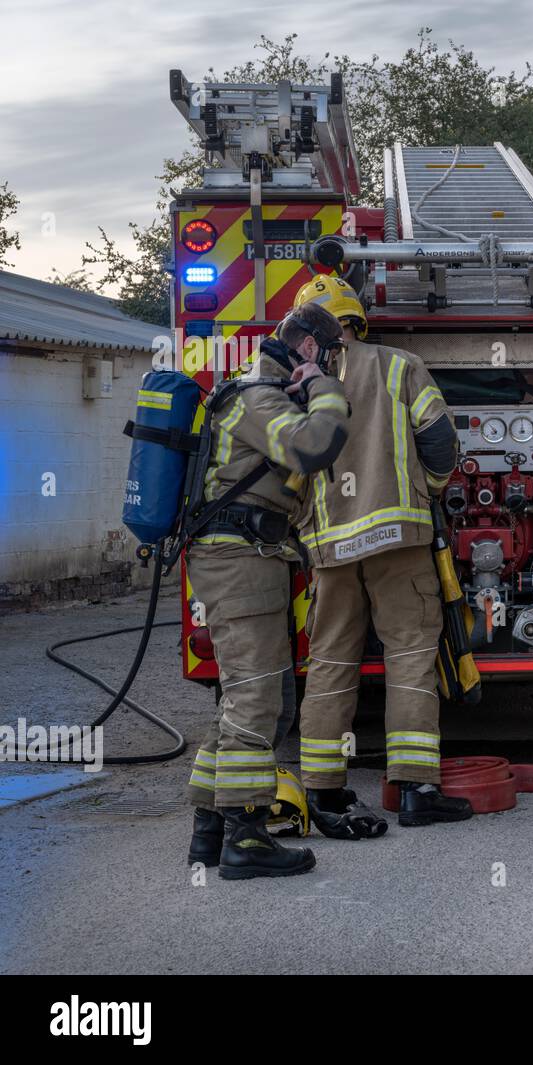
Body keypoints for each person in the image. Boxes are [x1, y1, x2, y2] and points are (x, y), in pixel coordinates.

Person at [291, 276, 472, 836]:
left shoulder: (297, 382)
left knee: (329, 664)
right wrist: (429, 492)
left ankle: (323, 791)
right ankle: (416, 791)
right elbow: (440, 440)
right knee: (411, 656)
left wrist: (306, 523)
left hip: (332, 547)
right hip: (400, 539)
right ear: (355, 320)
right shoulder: (399, 365)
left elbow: (285, 464)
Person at [184, 302, 350, 879]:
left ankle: (210, 830)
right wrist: (326, 389)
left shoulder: (260, 398)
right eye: (329, 357)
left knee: (244, 695)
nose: (331, 367)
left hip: (249, 558)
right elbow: (312, 447)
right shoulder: (259, 399)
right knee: (259, 699)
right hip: (240, 561)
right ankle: (246, 838)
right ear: (308, 350)